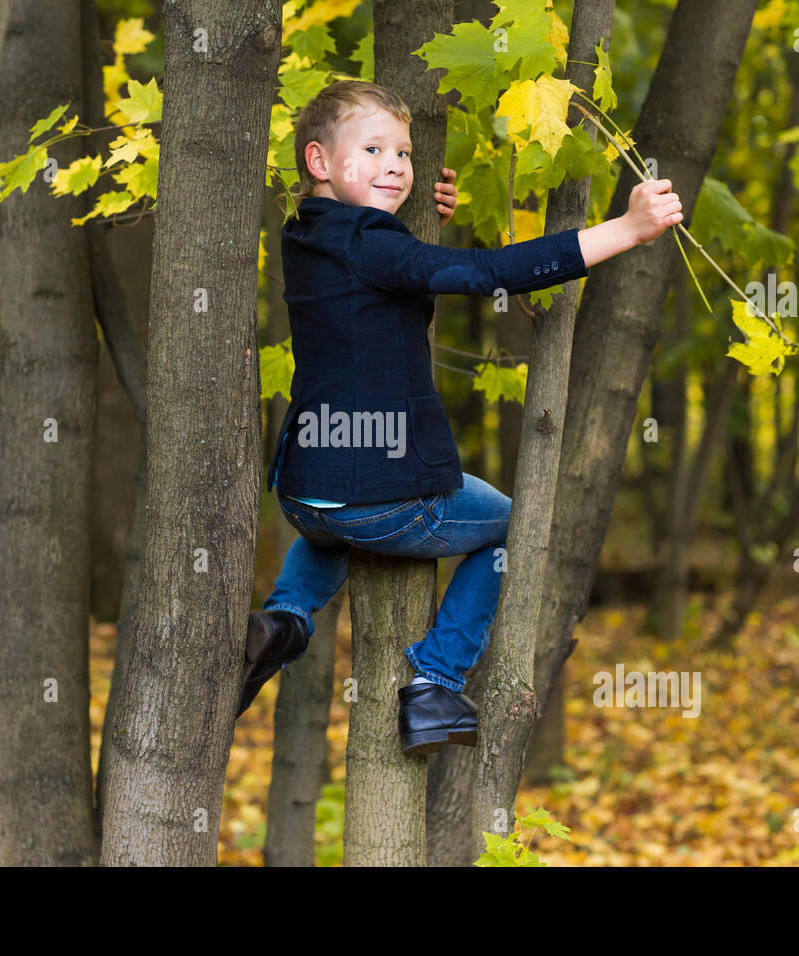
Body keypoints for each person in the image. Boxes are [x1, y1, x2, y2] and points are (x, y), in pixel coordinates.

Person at [241, 79, 683, 756]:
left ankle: (283, 624)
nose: (396, 165)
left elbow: (378, 282)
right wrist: (624, 230)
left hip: (306, 496)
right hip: (381, 498)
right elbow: (481, 273)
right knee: (512, 522)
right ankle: (435, 684)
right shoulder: (372, 242)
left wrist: (424, 218)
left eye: (404, 154)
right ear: (318, 162)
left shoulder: (305, 233)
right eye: (374, 149)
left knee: (339, 527)